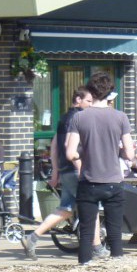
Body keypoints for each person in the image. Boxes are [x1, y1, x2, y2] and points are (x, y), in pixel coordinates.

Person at [21, 86, 104, 260]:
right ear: (78, 100)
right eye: (88, 101)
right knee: (92, 208)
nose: (91, 104)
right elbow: (69, 146)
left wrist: (56, 173)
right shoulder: (78, 118)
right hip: (76, 169)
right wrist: (81, 168)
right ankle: (97, 248)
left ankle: (32, 237)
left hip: (66, 171)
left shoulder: (63, 119)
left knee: (65, 209)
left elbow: (54, 147)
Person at [65, 71, 136, 265]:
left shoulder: (79, 118)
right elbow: (129, 154)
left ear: (91, 91)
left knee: (87, 230)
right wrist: (118, 152)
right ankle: (117, 267)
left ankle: (85, 266)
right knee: (115, 231)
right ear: (110, 92)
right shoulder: (121, 117)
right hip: (114, 181)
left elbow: (70, 153)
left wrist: (83, 154)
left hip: (89, 181)